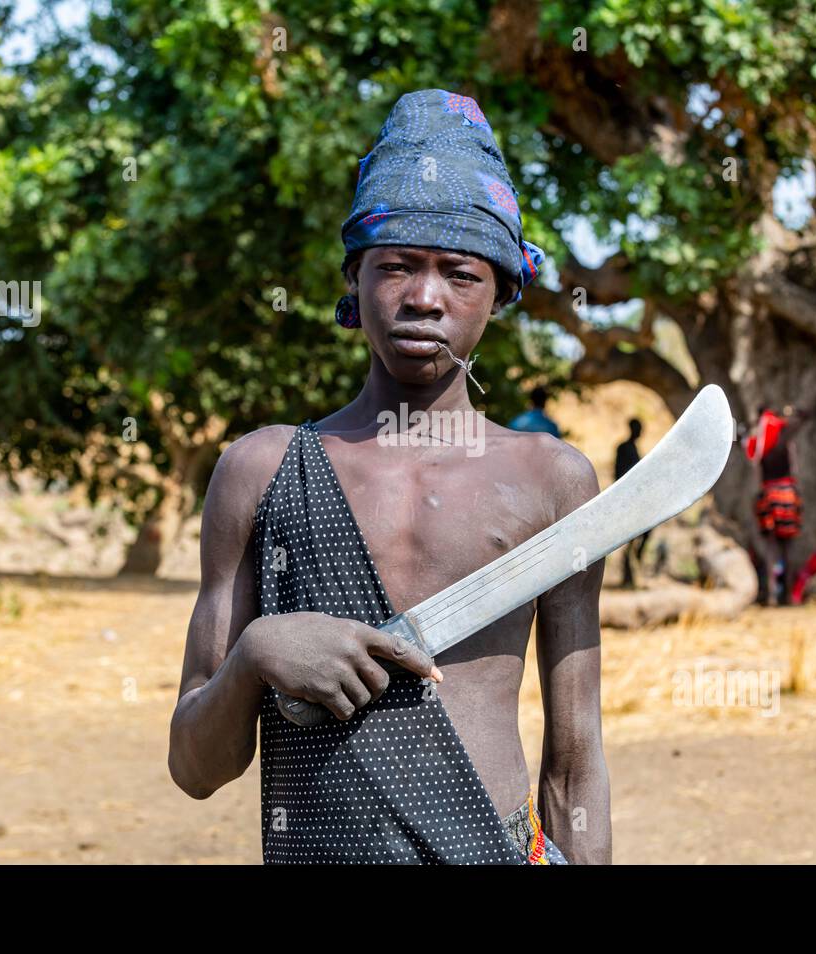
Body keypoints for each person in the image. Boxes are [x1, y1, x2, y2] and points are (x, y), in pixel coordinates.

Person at [167, 89, 610, 864]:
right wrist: (256, 654)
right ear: (355, 279)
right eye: (397, 266)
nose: (424, 298)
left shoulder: (553, 480)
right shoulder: (261, 470)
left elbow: (574, 767)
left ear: (502, 293)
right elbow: (195, 768)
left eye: (460, 274)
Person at [743, 404, 813, 606]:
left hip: (769, 496)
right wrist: (797, 412)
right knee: (786, 547)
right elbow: (803, 418)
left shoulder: (757, 442)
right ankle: (787, 594)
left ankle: (773, 593)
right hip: (787, 495)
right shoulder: (783, 436)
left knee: (772, 548)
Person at [614, 418, 651, 587]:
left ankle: (632, 569)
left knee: (642, 532)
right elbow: (620, 473)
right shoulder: (624, 448)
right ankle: (629, 574)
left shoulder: (631, 448)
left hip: (634, 497)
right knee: (632, 535)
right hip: (627, 498)